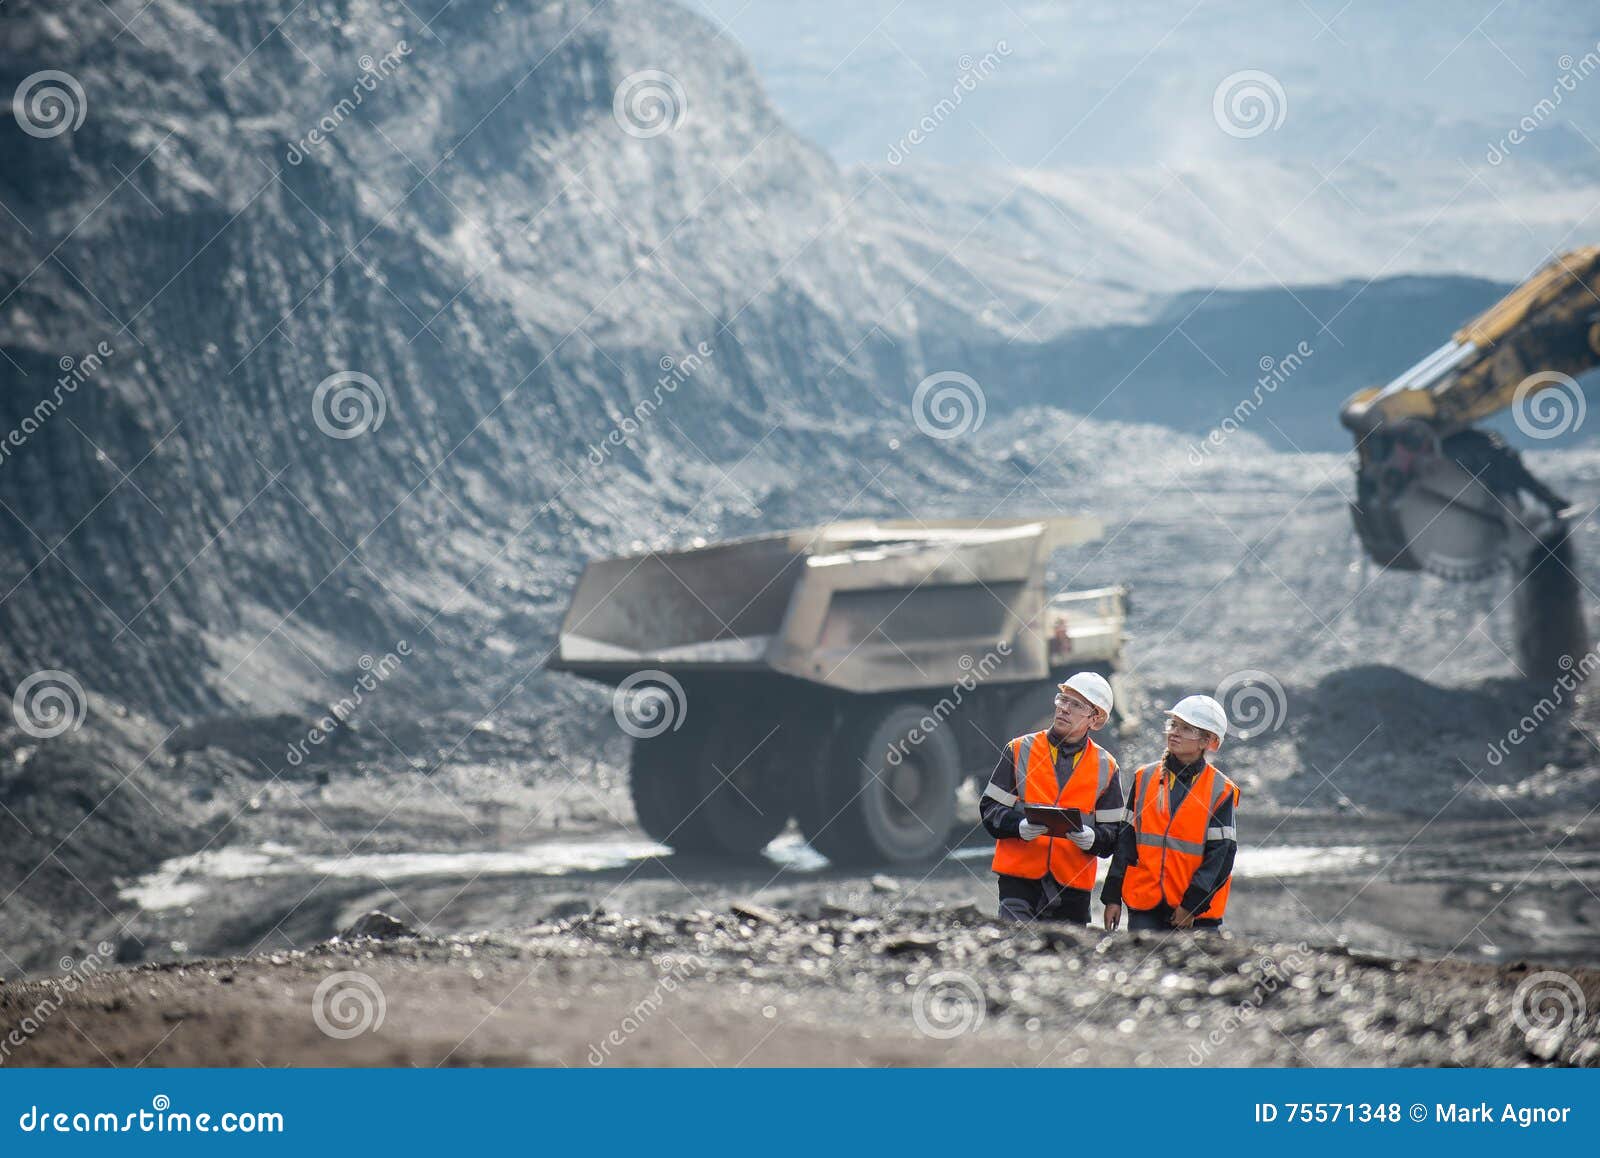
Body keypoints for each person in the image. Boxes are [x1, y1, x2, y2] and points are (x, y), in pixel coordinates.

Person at [979, 672, 1125, 926]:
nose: (1064, 709)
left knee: (1065, 962)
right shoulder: (1019, 749)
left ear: (1095, 718)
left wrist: (1093, 839)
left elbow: (1114, 834)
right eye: (1062, 700)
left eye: (1076, 705)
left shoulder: (1107, 767)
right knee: (1015, 952)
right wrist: (1018, 826)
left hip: (1072, 890)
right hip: (1019, 883)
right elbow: (990, 809)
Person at [1101, 694, 1239, 932]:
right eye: (1173, 725)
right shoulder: (1144, 777)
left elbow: (1221, 857)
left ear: (1207, 741)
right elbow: (1125, 842)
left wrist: (1191, 906)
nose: (1175, 732)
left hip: (1196, 915)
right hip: (1146, 906)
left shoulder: (1221, 790)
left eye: (1186, 729)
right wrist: (1112, 896)